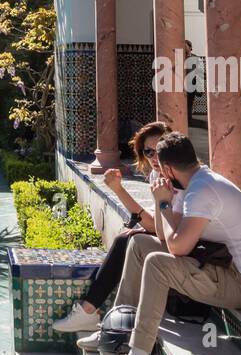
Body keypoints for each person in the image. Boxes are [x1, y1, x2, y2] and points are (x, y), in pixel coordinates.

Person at [89, 132, 241, 355]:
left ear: (168, 168)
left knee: (157, 263)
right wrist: (161, 200)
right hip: (223, 271)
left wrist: (163, 201)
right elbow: (164, 236)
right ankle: (116, 329)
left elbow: (177, 247)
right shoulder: (194, 182)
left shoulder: (202, 191)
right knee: (140, 244)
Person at [54, 121, 175, 337]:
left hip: (194, 257)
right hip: (173, 246)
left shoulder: (179, 179)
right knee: (126, 239)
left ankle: (99, 318)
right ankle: (99, 316)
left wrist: (119, 191)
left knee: (128, 240)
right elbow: (157, 224)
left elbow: (159, 230)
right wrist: (120, 191)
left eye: (160, 150)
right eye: (148, 151)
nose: (154, 157)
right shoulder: (158, 176)